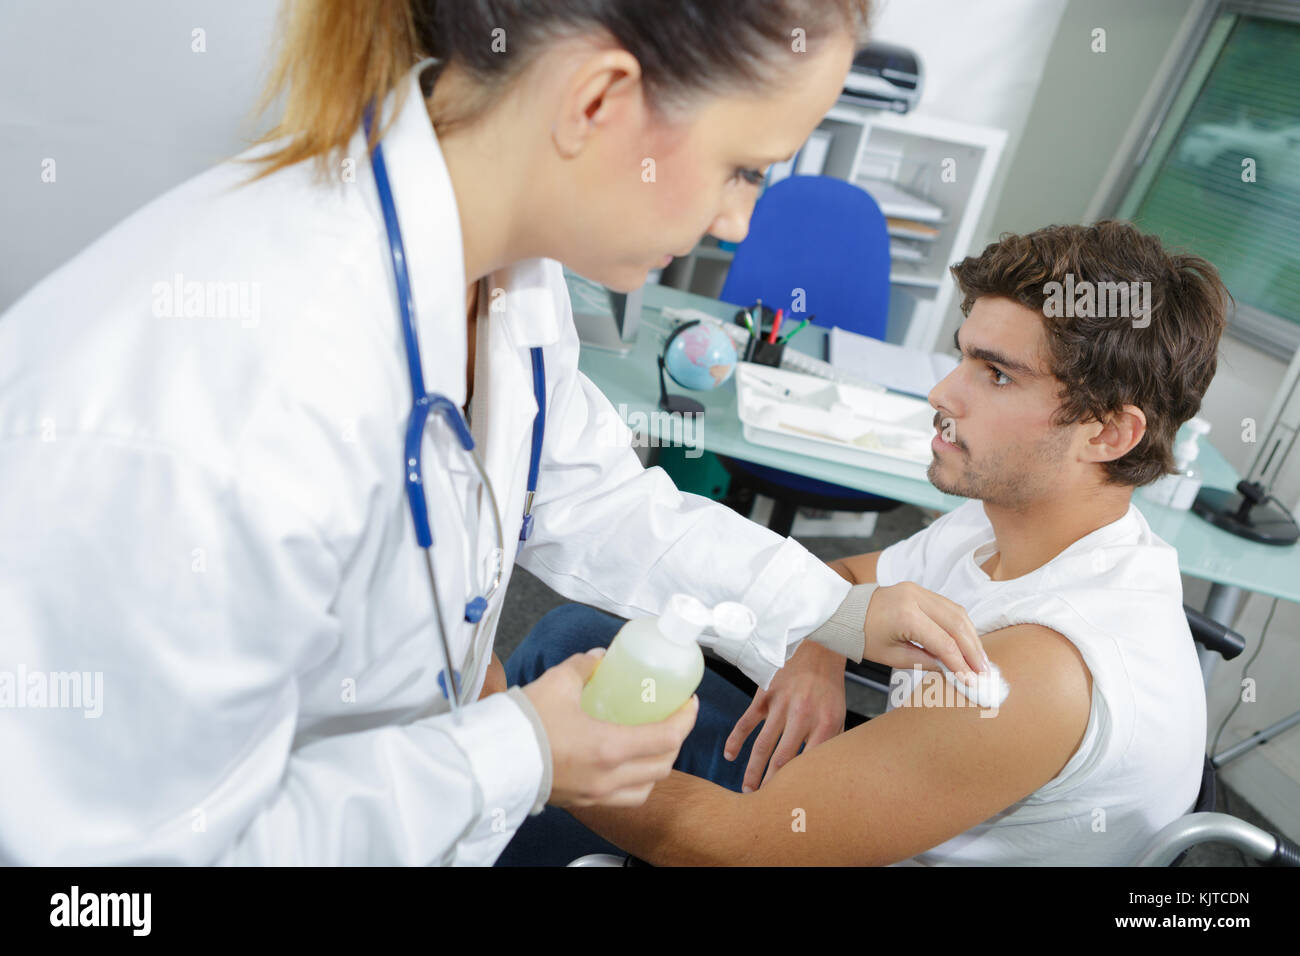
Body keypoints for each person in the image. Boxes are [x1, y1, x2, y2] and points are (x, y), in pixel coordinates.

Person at [0, 0, 988, 865]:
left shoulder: (512, 283)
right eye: (743, 169)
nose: (739, 224)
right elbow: (116, 877)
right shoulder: (234, 396)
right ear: (598, 101)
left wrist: (833, 608)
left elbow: (593, 496)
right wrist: (521, 747)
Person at [500, 220, 1230, 866]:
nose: (943, 393)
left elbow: (741, 847)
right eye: (964, 355)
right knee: (576, 642)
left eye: (997, 374)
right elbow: (850, 578)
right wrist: (820, 648)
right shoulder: (1011, 518)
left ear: (1109, 432)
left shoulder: (1048, 671)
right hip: (888, 781)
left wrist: (534, 752)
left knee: (558, 711)